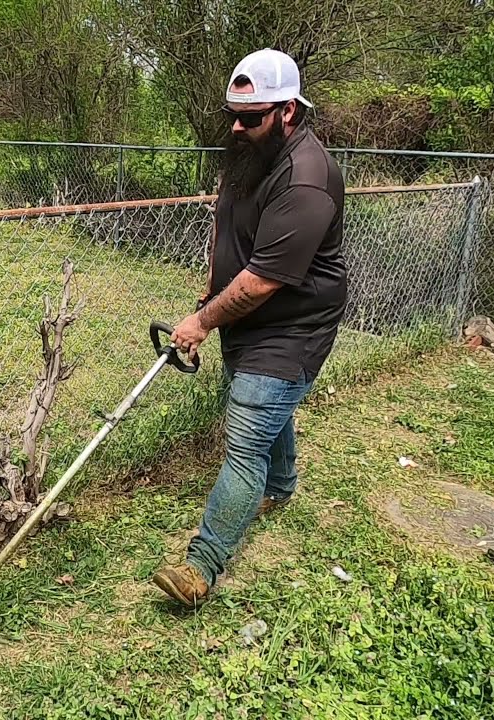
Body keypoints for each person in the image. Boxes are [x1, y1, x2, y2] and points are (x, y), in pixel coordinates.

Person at [151, 48, 348, 607]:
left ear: (287, 111)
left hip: (294, 325)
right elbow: (234, 234)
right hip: (248, 315)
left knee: (246, 435)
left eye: (251, 117)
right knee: (257, 407)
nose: (236, 127)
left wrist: (201, 321)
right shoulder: (251, 153)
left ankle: (201, 566)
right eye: (231, 115)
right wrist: (211, 295)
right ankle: (280, 488)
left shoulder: (308, 178)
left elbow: (263, 280)